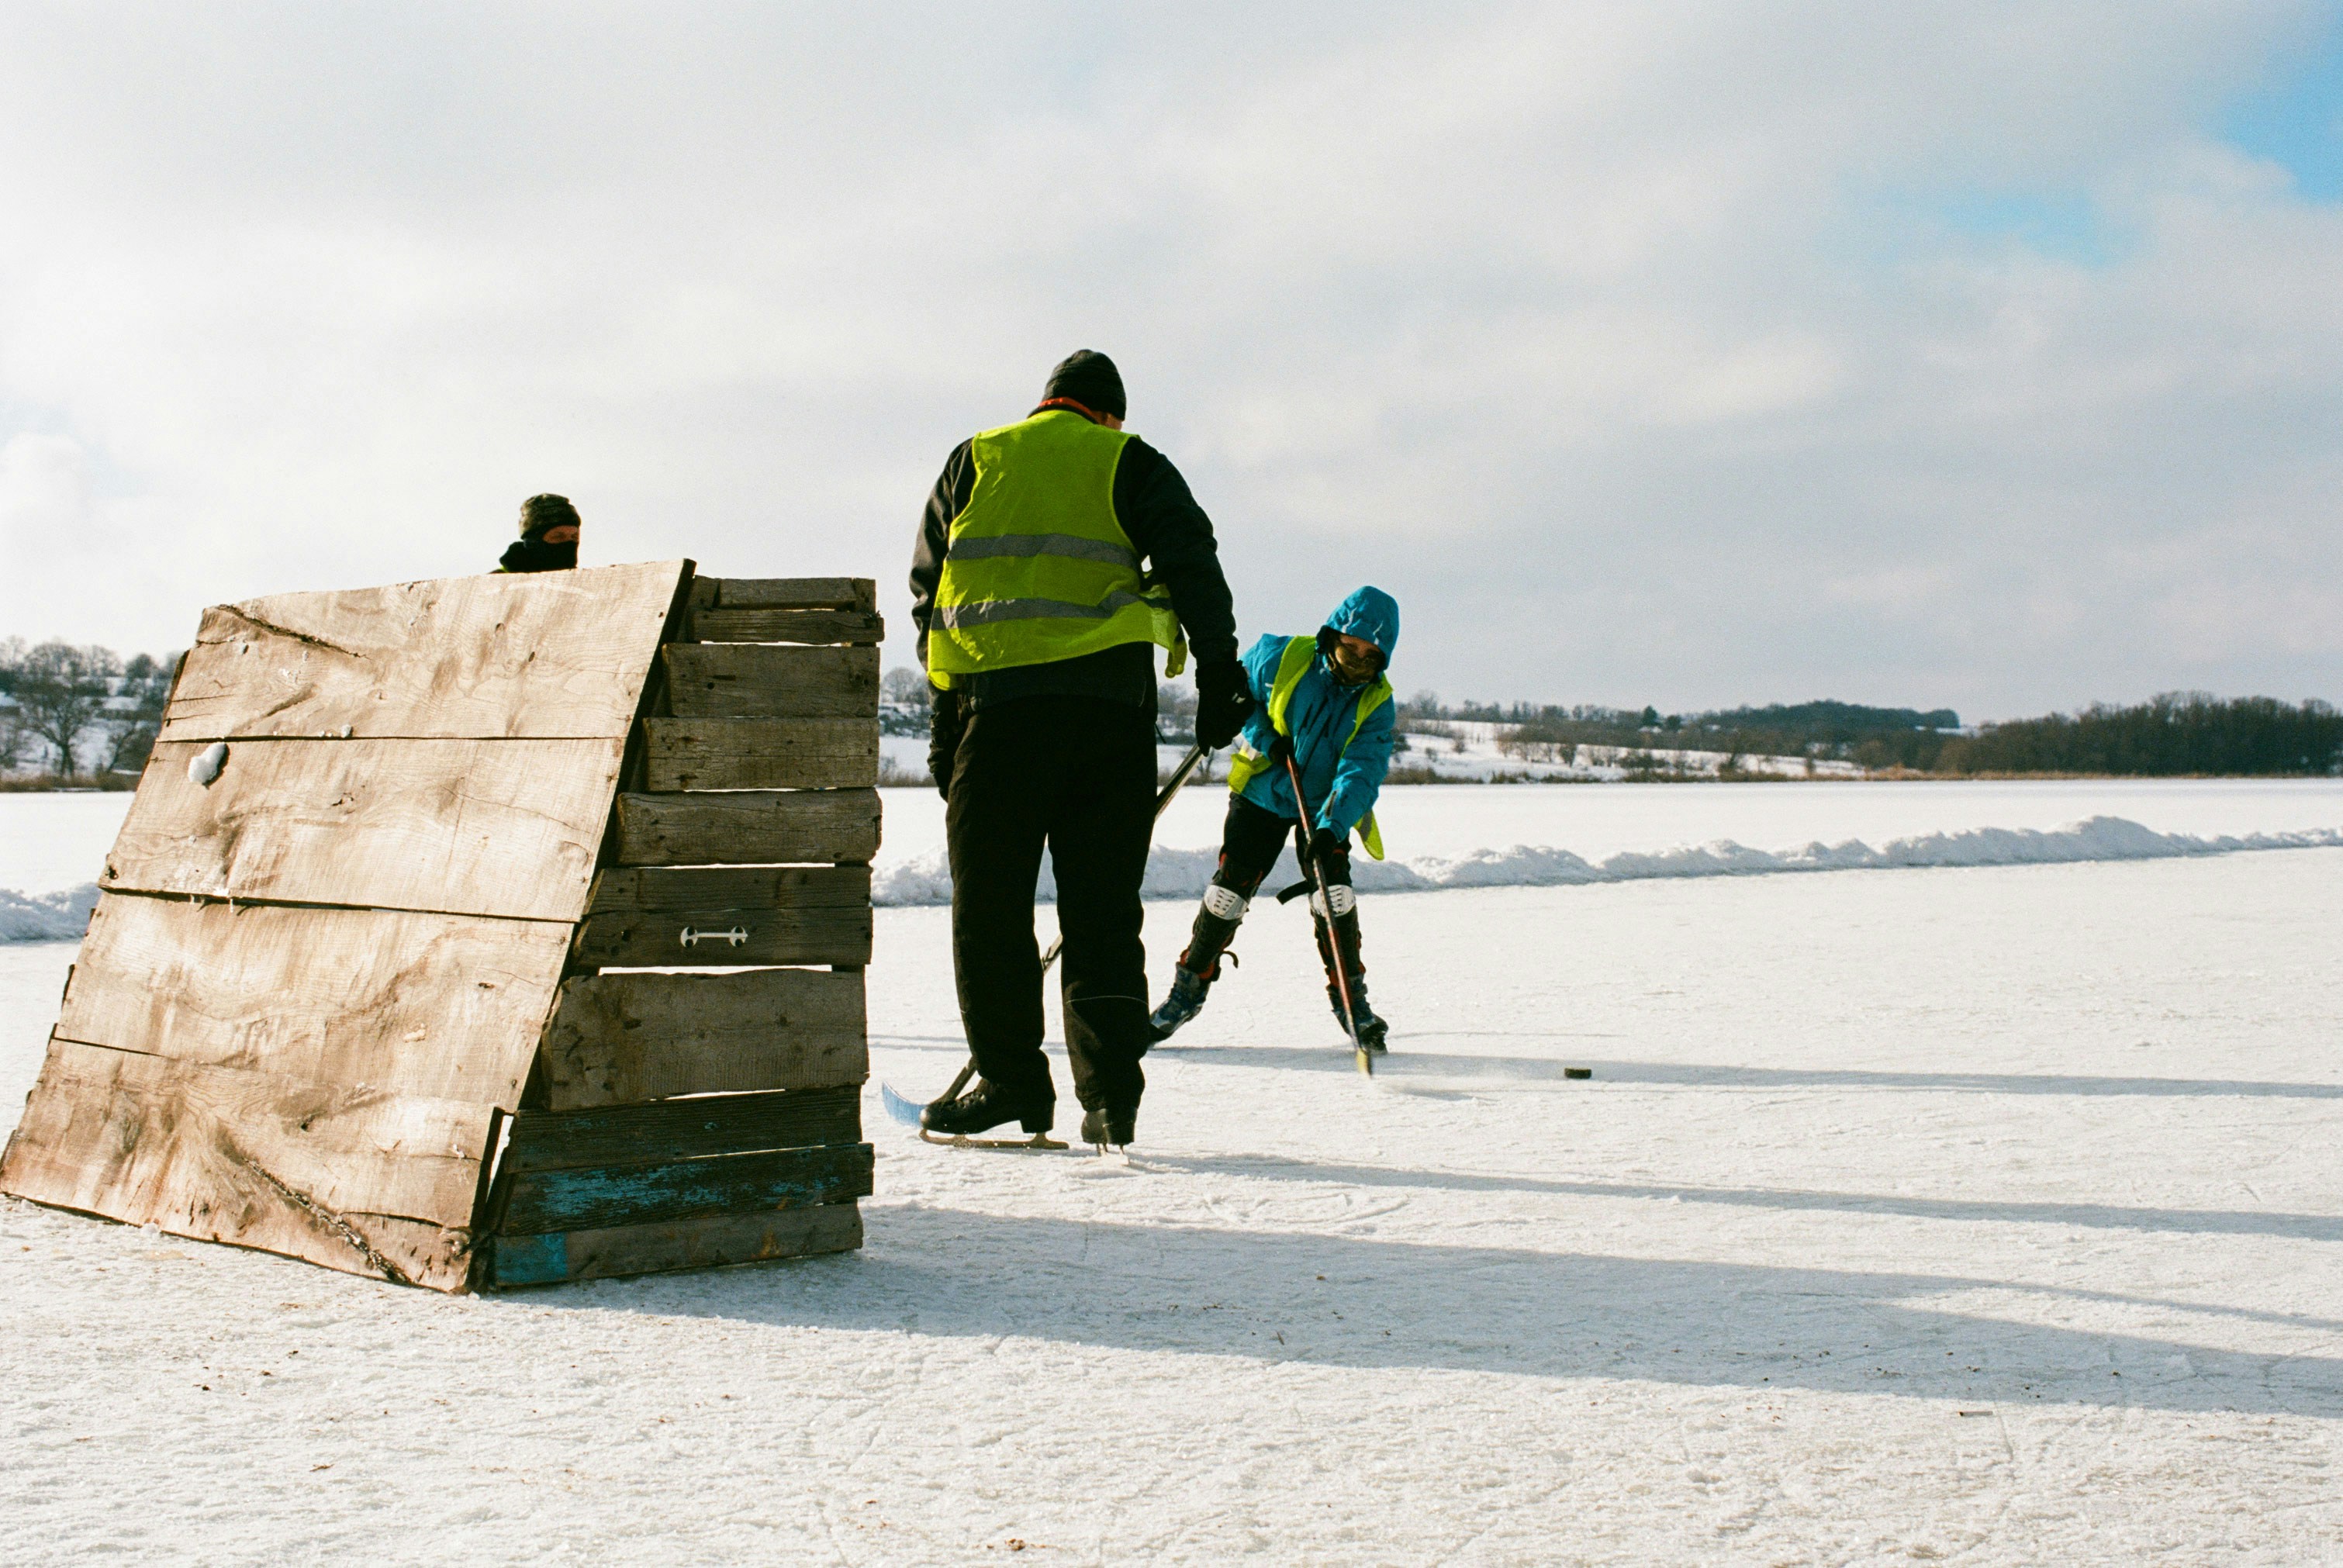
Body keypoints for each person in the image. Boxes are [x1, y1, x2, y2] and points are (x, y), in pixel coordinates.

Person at [909, 351, 1253, 1148]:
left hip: (1000, 716)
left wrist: (942, 721)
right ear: (1107, 415)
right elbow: (1193, 564)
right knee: (1101, 912)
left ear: (1046, 405)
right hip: (1109, 716)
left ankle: (1011, 1085)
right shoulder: (1132, 461)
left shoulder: (975, 459)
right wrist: (1221, 677)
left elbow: (932, 597)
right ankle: (1109, 1101)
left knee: (989, 909)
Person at [1148, 586, 1401, 1049]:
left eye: (1370, 657)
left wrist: (1331, 828)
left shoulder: (1376, 703)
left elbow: (1362, 771)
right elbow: (1240, 702)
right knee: (1229, 892)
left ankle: (1352, 1004)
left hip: (1324, 806)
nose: (1357, 661)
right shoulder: (1279, 656)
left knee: (1334, 895)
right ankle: (1186, 993)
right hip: (1265, 789)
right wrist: (1269, 739)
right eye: (1351, 648)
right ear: (1332, 636)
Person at [496, 494, 581, 572]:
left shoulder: (582, 583)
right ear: (534, 540)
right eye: (558, 536)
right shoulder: (495, 584)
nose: (569, 543)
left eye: (574, 537)